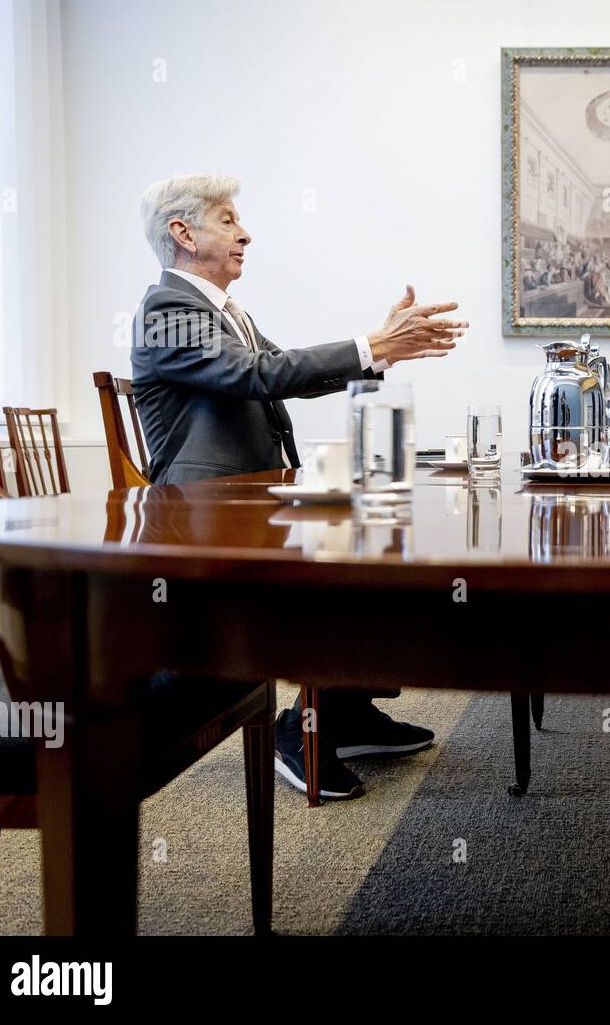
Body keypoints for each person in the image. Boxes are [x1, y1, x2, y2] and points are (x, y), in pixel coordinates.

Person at [132, 173, 468, 801]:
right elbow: (256, 374)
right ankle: (301, 730)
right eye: (228, 220)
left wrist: (381, 351)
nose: (245, 233)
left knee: (386, 544)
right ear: (182, 233)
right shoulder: (165, 311)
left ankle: (346, 713)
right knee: (351, 563)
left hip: (253, 504)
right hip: (209, 519)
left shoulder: (226, 312)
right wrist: (372, 343)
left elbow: (286, 376)